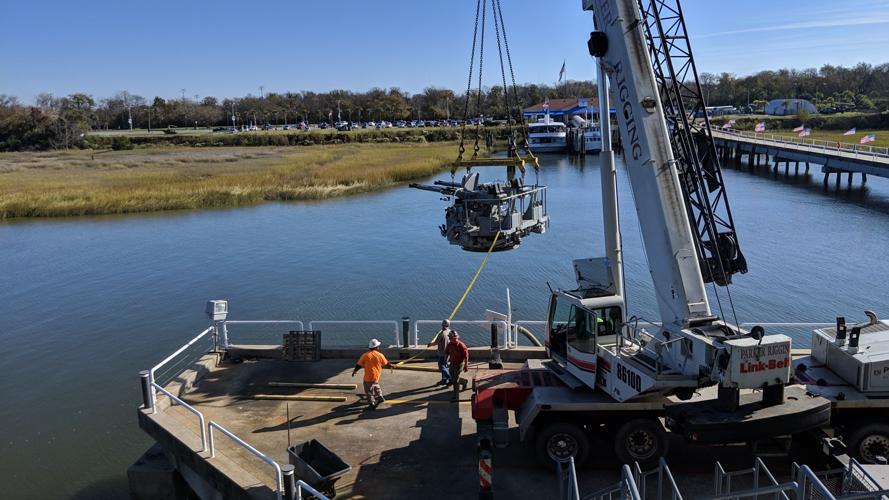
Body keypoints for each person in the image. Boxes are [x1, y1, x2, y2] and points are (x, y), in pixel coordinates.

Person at [352, 339, 393, 411]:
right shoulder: (380, 355)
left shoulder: (365, 355)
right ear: (377, 347)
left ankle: (371, 404)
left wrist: (354, 371)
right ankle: (380, 396)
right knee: (376, 385)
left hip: (368, 377)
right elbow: (386, 364)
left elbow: (359, 365)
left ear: (369, 347)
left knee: (369, 391)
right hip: (376, 376)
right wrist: (391, 366)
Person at [444, 330, 470, 402]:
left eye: (451, 337)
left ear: (456, 337)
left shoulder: (462, 346)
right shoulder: (449, 344)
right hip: (452, 364)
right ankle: (464, 382)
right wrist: (445, 360)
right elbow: (447, 353)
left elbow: (466, 357)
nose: (450, 339)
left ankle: (456, 396)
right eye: (450, 338)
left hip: (459, 364)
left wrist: (466, 365)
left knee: (455, 381)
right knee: (452, 378)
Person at [427, 319, 452, 386]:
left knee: (441, 367)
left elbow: (435, 343)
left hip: (442, 353)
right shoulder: (449, 332)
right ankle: (444, 380)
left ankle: (450, 378)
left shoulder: (441, 334)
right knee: (445, 366)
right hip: (448, 353)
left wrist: (430, 344)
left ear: (442, 325)